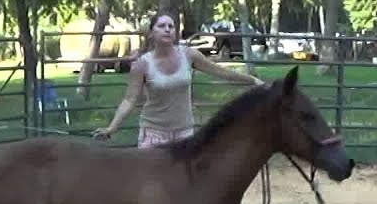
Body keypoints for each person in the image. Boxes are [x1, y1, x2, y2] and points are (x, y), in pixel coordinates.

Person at [91, 12, 266, 147]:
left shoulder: (189, 55)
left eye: (171, 26)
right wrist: (111, 128)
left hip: (184, 134)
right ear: (152, 33)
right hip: (153, 135)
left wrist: (251, 80)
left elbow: (221, 72)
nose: (167, 29)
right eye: (161, 26)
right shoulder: (142, 65)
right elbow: (129, 100)